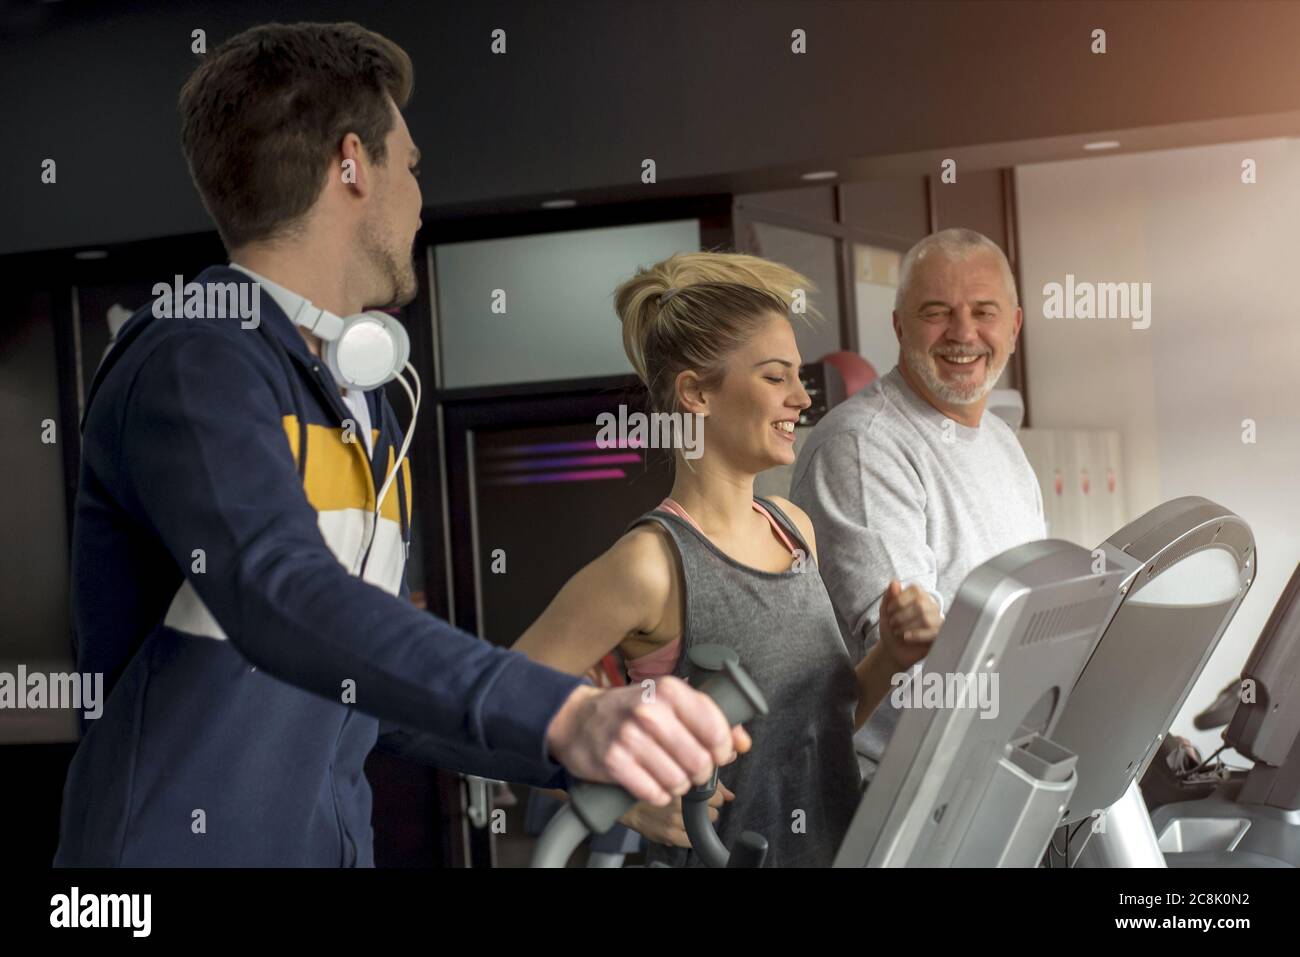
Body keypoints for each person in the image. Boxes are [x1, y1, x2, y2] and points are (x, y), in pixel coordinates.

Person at [54, 21, 745, 868]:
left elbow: (365, 689)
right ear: (352, 164)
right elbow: (279, 594)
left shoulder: (366, 398)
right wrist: (566, 710)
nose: (419, 196)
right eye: (410, 166)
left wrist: (576, 754)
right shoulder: (195, 357)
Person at [512, 252, 930, 867]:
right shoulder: (650, 564)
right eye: (774, 377)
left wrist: (892, 656)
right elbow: (498, 696)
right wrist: (607, 791)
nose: (800, 397)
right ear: (696, 393)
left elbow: (822, 727)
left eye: (798, 376)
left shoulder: (795, 531)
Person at [790, 228, 1045, 781]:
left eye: (984, 311)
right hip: (901, 792)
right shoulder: (862, 446)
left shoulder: (1003, 444)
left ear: (1015, 326)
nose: (963, 333)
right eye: (937, 312)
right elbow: (908, 665)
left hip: (991, 769)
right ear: (900, 325)